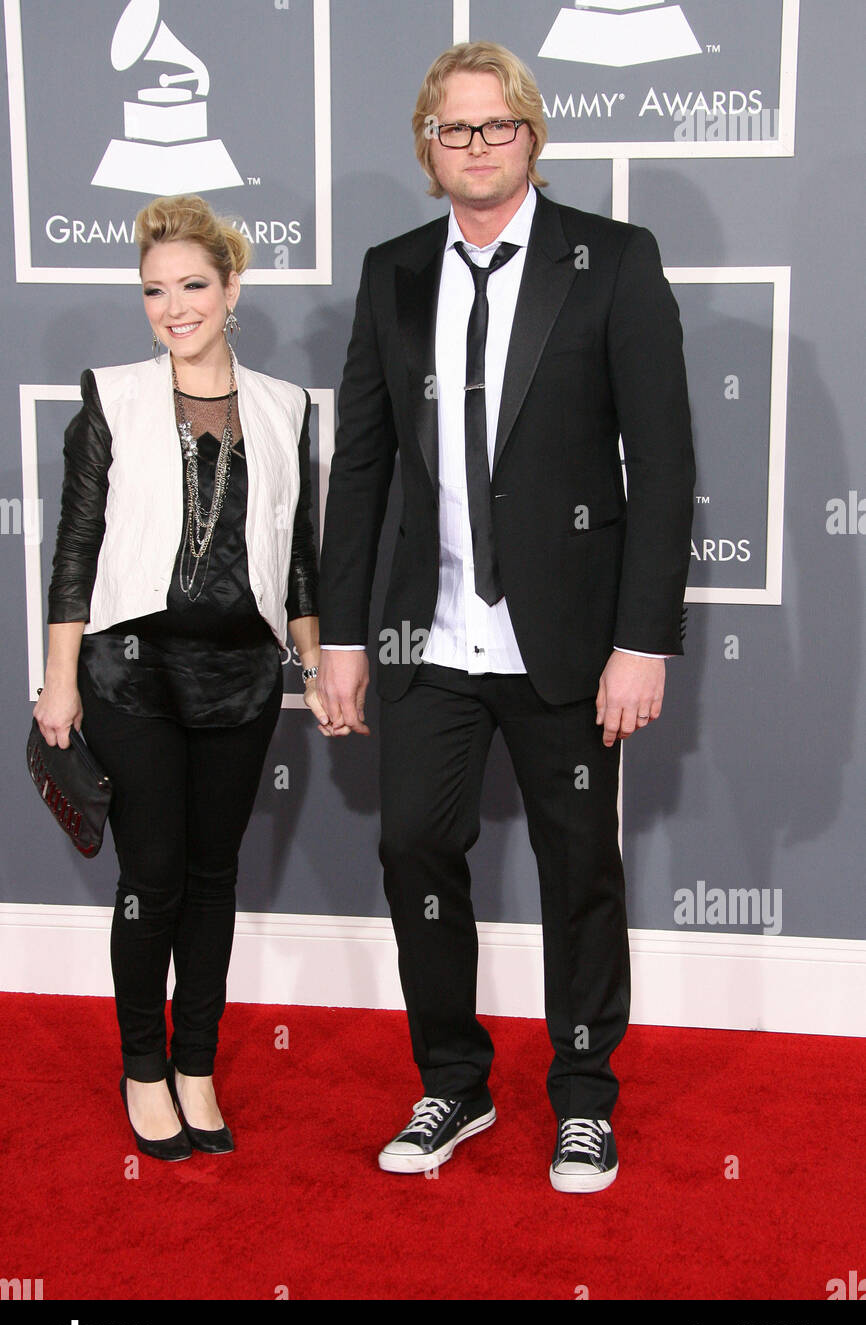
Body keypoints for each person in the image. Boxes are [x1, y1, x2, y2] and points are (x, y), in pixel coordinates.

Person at [317, 42, 695, 1192]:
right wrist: (340, 637)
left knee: (578, 861)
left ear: (529, 134)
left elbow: (664, 464)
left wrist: (642, 639)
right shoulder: (390, 274)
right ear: (427, 148)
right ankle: (453, 1081)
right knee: (412, 847)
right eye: (453, 128)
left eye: (496, 126)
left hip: (571, 642)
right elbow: (364, 471)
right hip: (428, 637)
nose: (475, 146)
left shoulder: (612, 261)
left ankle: (582, 1094)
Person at [36, 194, 324, 1161]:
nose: (174, 306)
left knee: (213, 876)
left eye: (193, 284)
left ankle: (196, 1065)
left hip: (241, 675)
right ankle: (143, 1068)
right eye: (156, 290)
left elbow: (299, 559)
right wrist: (59, 680)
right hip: (132, 671)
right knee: (150, 877)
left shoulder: (286, 407)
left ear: (232, 286)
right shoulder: (110, 396)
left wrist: (314, 658)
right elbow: (74, 548)